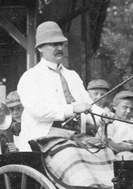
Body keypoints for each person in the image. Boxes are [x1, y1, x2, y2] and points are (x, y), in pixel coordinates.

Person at [15, 21, 96, 151]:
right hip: (44, 138)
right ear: (40, 48)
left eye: (61, 44)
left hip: (75, 136)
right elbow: (38, 111)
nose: (59, 48)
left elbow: (88, 105)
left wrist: (104, 116)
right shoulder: (30, 77)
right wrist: (73, 108)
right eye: (53, 44)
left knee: (104, 150)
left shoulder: (72, 76)